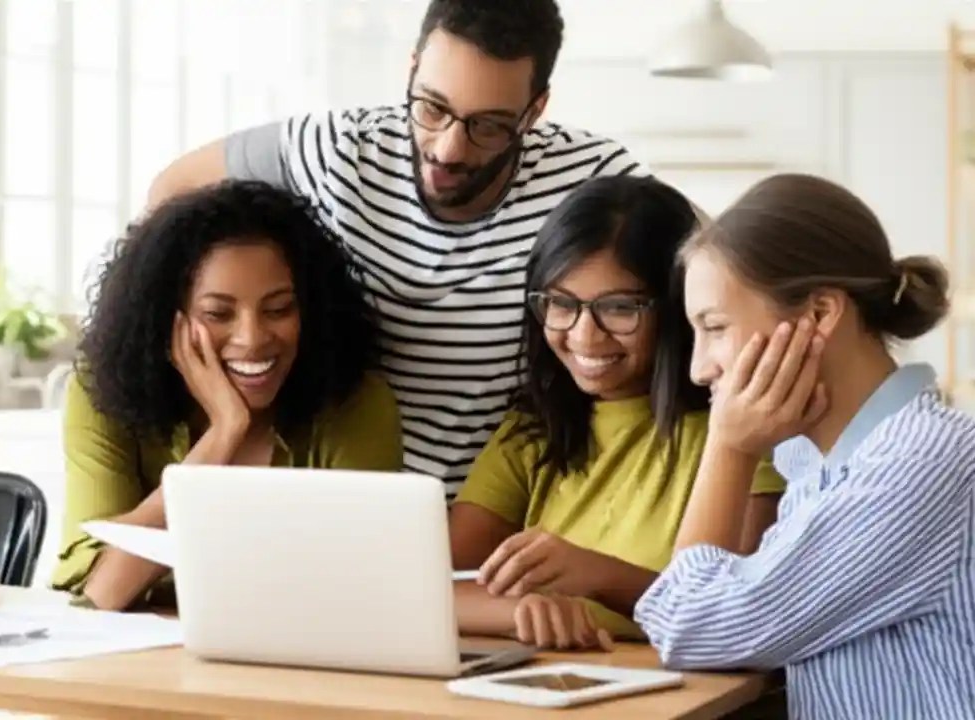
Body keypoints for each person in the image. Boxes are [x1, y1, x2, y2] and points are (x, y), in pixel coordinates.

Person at [147, 0, 642, 492]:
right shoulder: (340, 150)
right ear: (411, 70)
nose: (447, 149)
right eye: (431, 107)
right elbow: (172, 191)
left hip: (495, 516)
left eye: (488, 125)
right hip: (337, 500)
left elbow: (710, 266)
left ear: (534, 110)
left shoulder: (591, 177)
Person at [635, 173, 975, 718]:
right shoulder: (817, 468)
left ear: (819, 314)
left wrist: (728, 444)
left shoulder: (919, 463)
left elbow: (687, 627)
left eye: (715, 326)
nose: (700, 368)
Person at [444, 176, 784, 650]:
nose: (584, 336)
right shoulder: (531, 432)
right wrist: (521, 610)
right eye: (561, 304)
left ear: (677, 306)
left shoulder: (741, 432)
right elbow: (432, 586)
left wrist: (599, 576)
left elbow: (736, 615)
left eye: (620, 308)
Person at [53, 180, 402, 611]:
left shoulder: (356, 402)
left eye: (279, 310)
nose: (252, 339)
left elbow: (361, 594)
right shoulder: (101, 394)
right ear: (167, 321)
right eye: (218, 314)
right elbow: (99, 593)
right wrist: (222, 436)